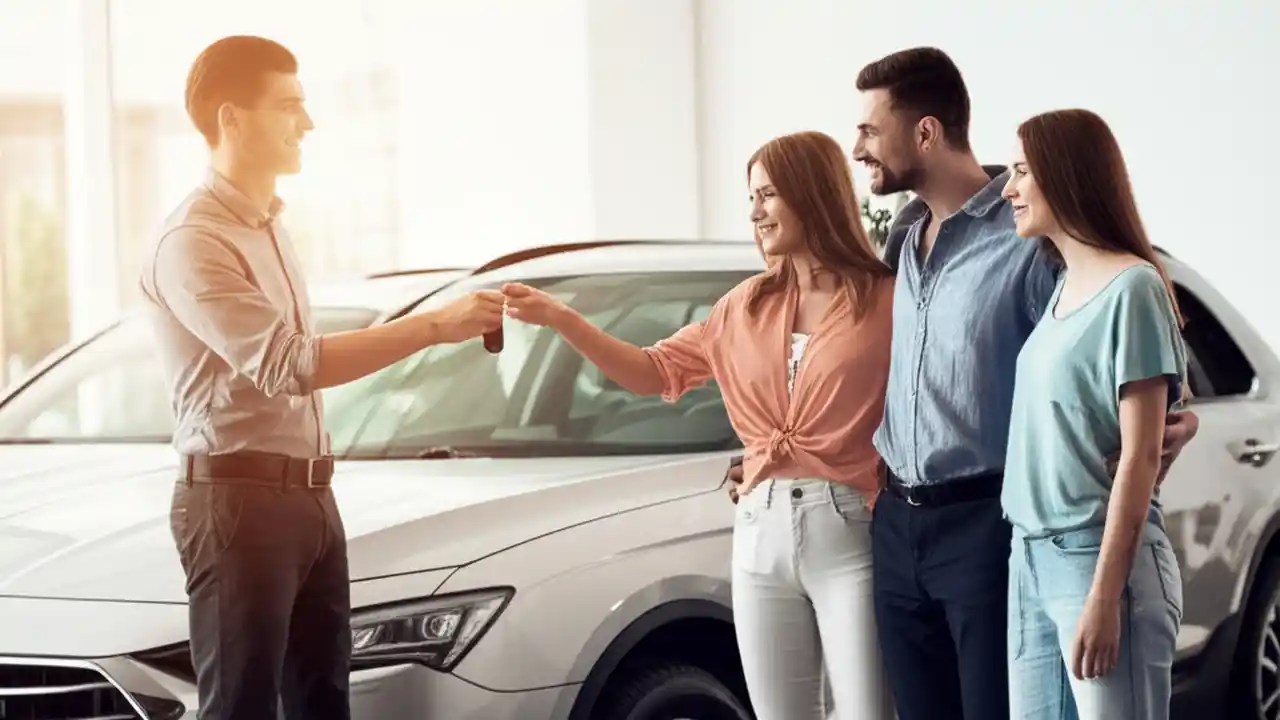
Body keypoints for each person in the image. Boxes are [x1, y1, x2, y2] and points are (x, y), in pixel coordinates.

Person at [717, 47, 1201, 719]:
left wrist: (1170, 417)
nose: (856, 147)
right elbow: (855, 373)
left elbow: (1099, 338)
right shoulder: (903, 238)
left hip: (988, 523)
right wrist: (775, 455)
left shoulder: (1028, 238)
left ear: (925, 132)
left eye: (868, 128)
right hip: (895, 526)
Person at [139, 36, 503, 720]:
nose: (307, 123)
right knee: (241, 708)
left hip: (309, 496)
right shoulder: (192, 240)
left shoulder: (271, 224)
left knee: (321, 702)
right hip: (237, 503)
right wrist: (434, 326)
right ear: (231, 119)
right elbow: (290, 364)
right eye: (290, 106)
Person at [503, 131, 896, 719]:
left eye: (768, 195)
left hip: (850, 531)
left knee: (868, 714)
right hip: (759, 531)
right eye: (752, 196)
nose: (755, 211)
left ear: (811, 194)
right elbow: (651, 371)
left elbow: (922, 405)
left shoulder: (887, 300)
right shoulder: (742, 306)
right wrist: (562, 319)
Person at [1000, 108, 1186, 719]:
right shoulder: (1062, 285)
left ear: (1065, 175)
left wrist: (1106, 599)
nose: (1008, 188)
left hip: (1098, 563)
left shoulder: (1133, 288)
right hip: (1027, 558)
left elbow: (1139, 456)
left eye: (1023, 171)